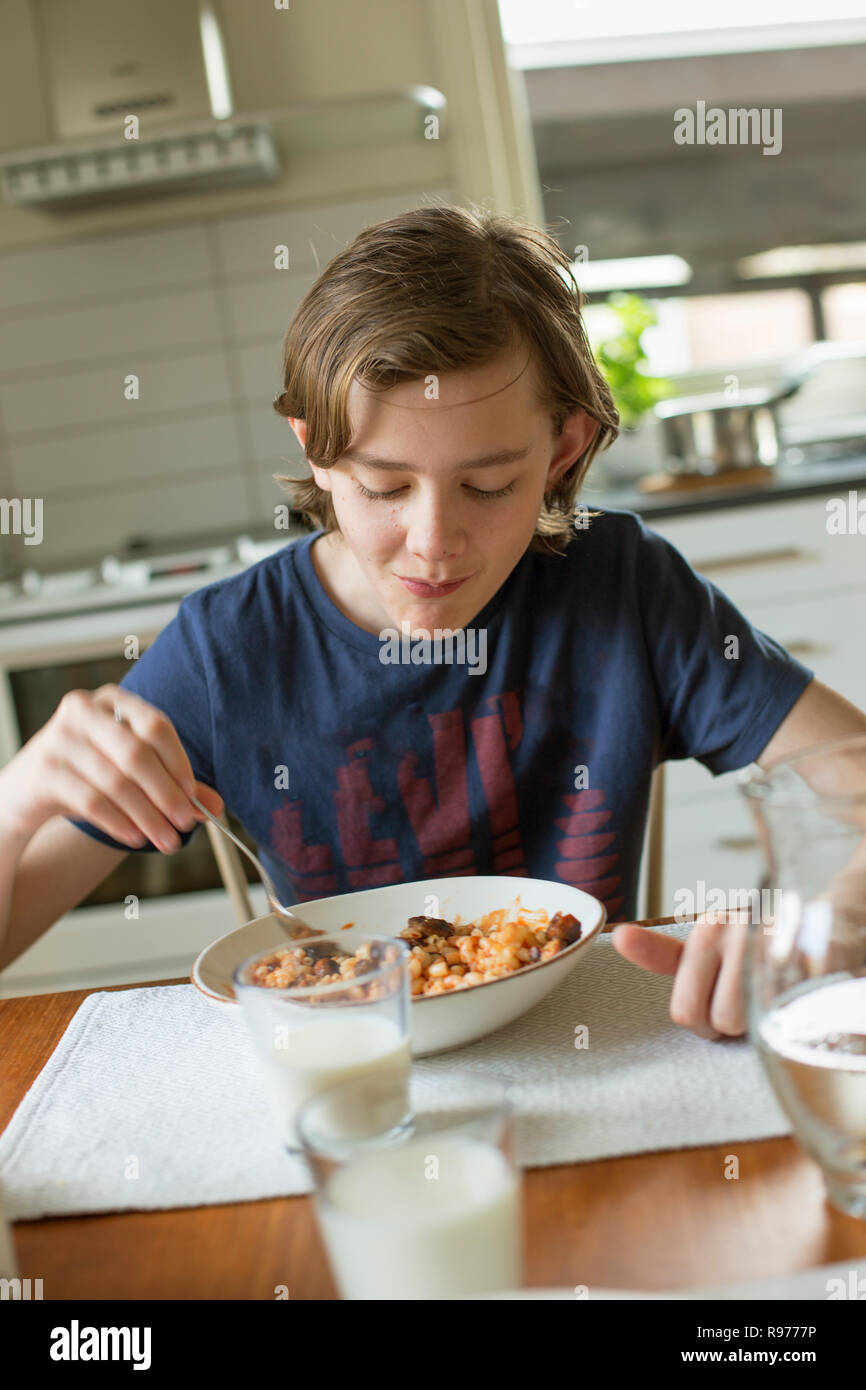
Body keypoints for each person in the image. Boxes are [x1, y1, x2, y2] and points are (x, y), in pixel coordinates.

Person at [1, 203, 864, 1042]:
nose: (434, 545)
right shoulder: (229, 651)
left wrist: (824, 922)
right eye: (383, 488)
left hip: (594, 1042)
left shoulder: (623, 587)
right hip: (347, 1073)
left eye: (489, 487)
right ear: (316, 450)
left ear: (561, 450)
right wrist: (21, 798)